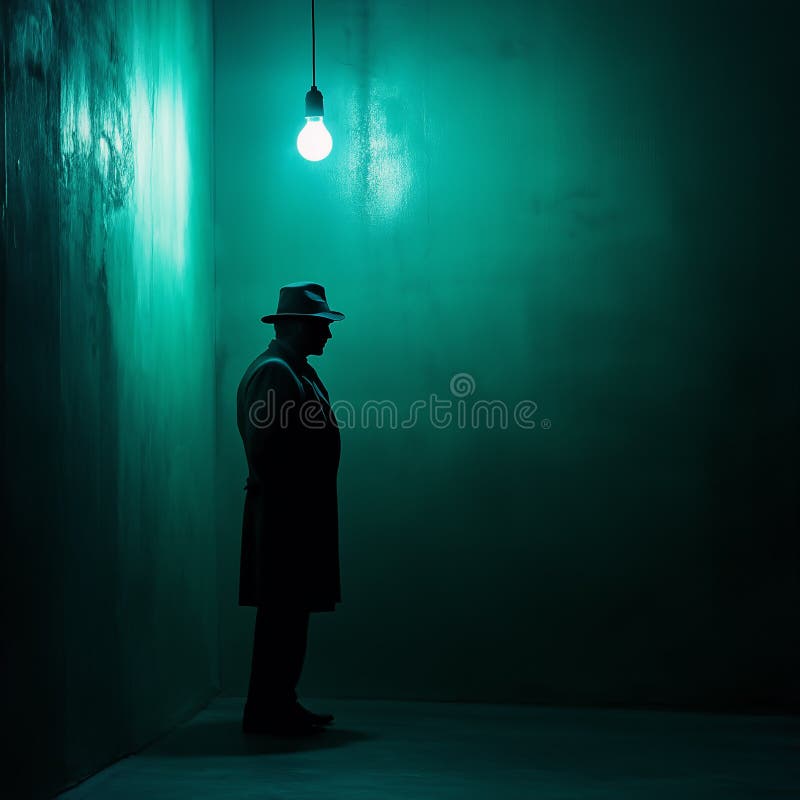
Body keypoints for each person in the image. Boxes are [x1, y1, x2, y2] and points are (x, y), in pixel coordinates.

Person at [236, 281, 344, 736]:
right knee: (282, 614)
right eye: (321, 326)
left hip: (292, 517)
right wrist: (295, 505)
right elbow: (267, 449)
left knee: (288, 613)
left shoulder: (290, 369)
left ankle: (279, 702)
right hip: (286, 520)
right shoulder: (278, 372)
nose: (328, 335)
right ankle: (268, 707)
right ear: (298, 324)